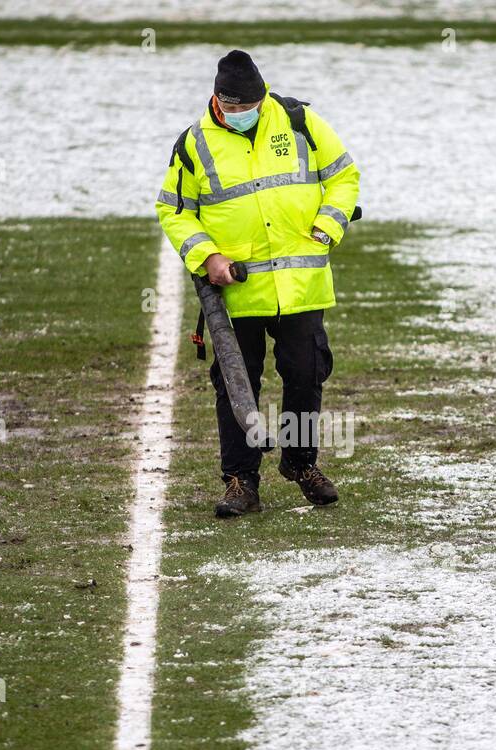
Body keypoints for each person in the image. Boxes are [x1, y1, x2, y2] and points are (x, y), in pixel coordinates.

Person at [155, 50, 360, 518]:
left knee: (305, 375)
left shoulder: (299, 121)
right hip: (237, 294)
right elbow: (173, 209)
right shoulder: (193, 144)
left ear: (262, 96)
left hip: (301, 285)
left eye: (250, 106)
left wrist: (329, 226)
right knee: (236, 385)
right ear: (218, 101)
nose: (242, 114)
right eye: (234, 108)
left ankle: (300, 463)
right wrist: (207, 256)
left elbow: (344, 176)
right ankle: (241, 480)